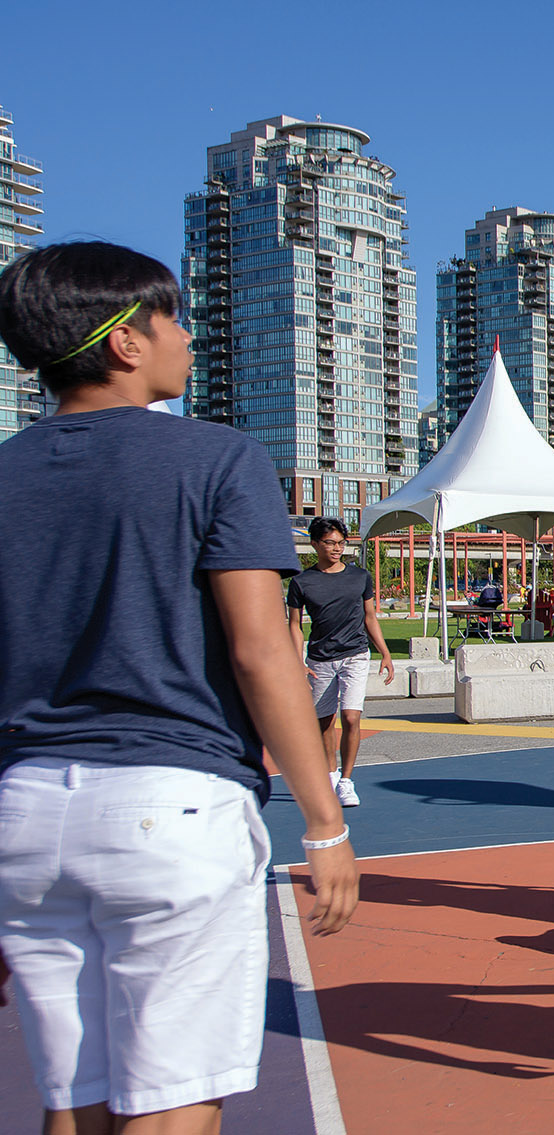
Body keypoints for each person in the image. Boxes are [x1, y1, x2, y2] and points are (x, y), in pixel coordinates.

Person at [0, 241, 358, 1134]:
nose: (188, 337)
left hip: (26, 812)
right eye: (172, 318)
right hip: (171, 801)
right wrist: (325, 822)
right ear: (126, 341)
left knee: (73, 1100)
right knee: (169, 1106)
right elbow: (261, 650)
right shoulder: (215, 458)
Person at [287, 516, 395, 807]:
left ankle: (346, 781)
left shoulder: (360, 577)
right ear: (315, 544)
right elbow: (295, 625)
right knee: (323, 723)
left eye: (341, 543)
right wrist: (297, 661)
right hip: (320, 660)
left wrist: (385, 653)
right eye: (330, 543)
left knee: (350, 717)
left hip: (356, 655)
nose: (337, 548)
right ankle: (331, 775)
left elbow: (370, 617)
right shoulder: (301, 582)